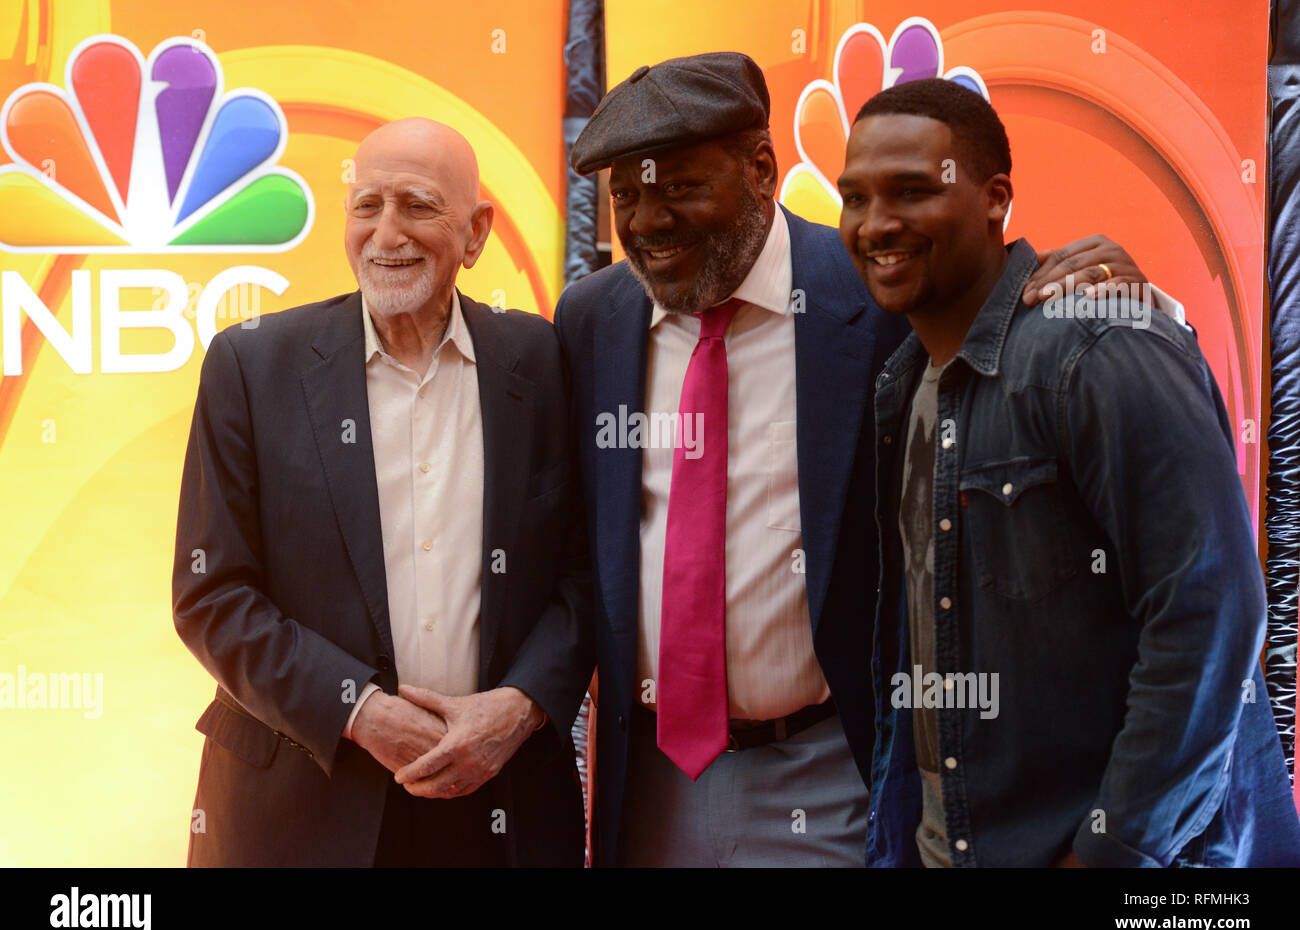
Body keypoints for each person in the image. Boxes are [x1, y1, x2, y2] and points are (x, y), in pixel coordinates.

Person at [556, 52, 1156, 866]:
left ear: (762, 168)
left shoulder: (876, 289)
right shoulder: (592, 319)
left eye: (682, 186)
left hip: (831, 769)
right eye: (626, 195)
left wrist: (1105, 282)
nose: (649, 220)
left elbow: (1001, 309)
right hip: (651, 779)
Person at [838, 77, 1300, 866]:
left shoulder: (1095, 343)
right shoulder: (902, 384)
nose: (877, 223)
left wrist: (1113, 848)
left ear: (995, 199)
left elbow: (1210, 612)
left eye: (912, 192)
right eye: (856, 197)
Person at [172, 118, 591, 866]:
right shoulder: (252, 366)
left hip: (501, 806)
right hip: (298, 813)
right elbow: (213, 597)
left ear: (476, 233)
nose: (385, 232)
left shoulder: (540, 358)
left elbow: (582, 577)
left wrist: (519, 707)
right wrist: (359, 711)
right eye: (366, 205)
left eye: (418, 205)